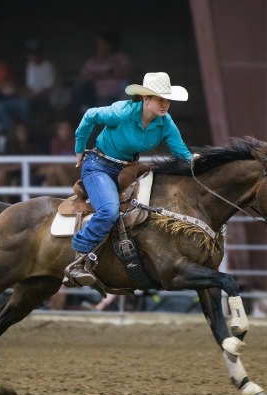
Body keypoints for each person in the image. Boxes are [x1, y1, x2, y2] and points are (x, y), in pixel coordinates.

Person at [63, 72, 193, 287]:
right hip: (99, 165)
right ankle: (78, 258)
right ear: (146, 99)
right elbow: (89, 116)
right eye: (160, 99)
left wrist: (198, 163)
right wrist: (79, 149)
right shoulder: (121, 112)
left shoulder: (165, 123)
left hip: (128, 170)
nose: (165, 104)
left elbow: (182, 154)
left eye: (167, 99)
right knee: (108, 211)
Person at [68, 30, 133, 121]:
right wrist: (102, 74)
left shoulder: (119, 58)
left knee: (103, 107)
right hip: (94, 95)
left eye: (101, 44)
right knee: (78, 88)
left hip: (114, 96)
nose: (98, 47)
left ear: (110, 45)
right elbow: (84, 76)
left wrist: (105, 73)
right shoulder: (92, 61)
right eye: (97, 44)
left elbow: (127, 71)